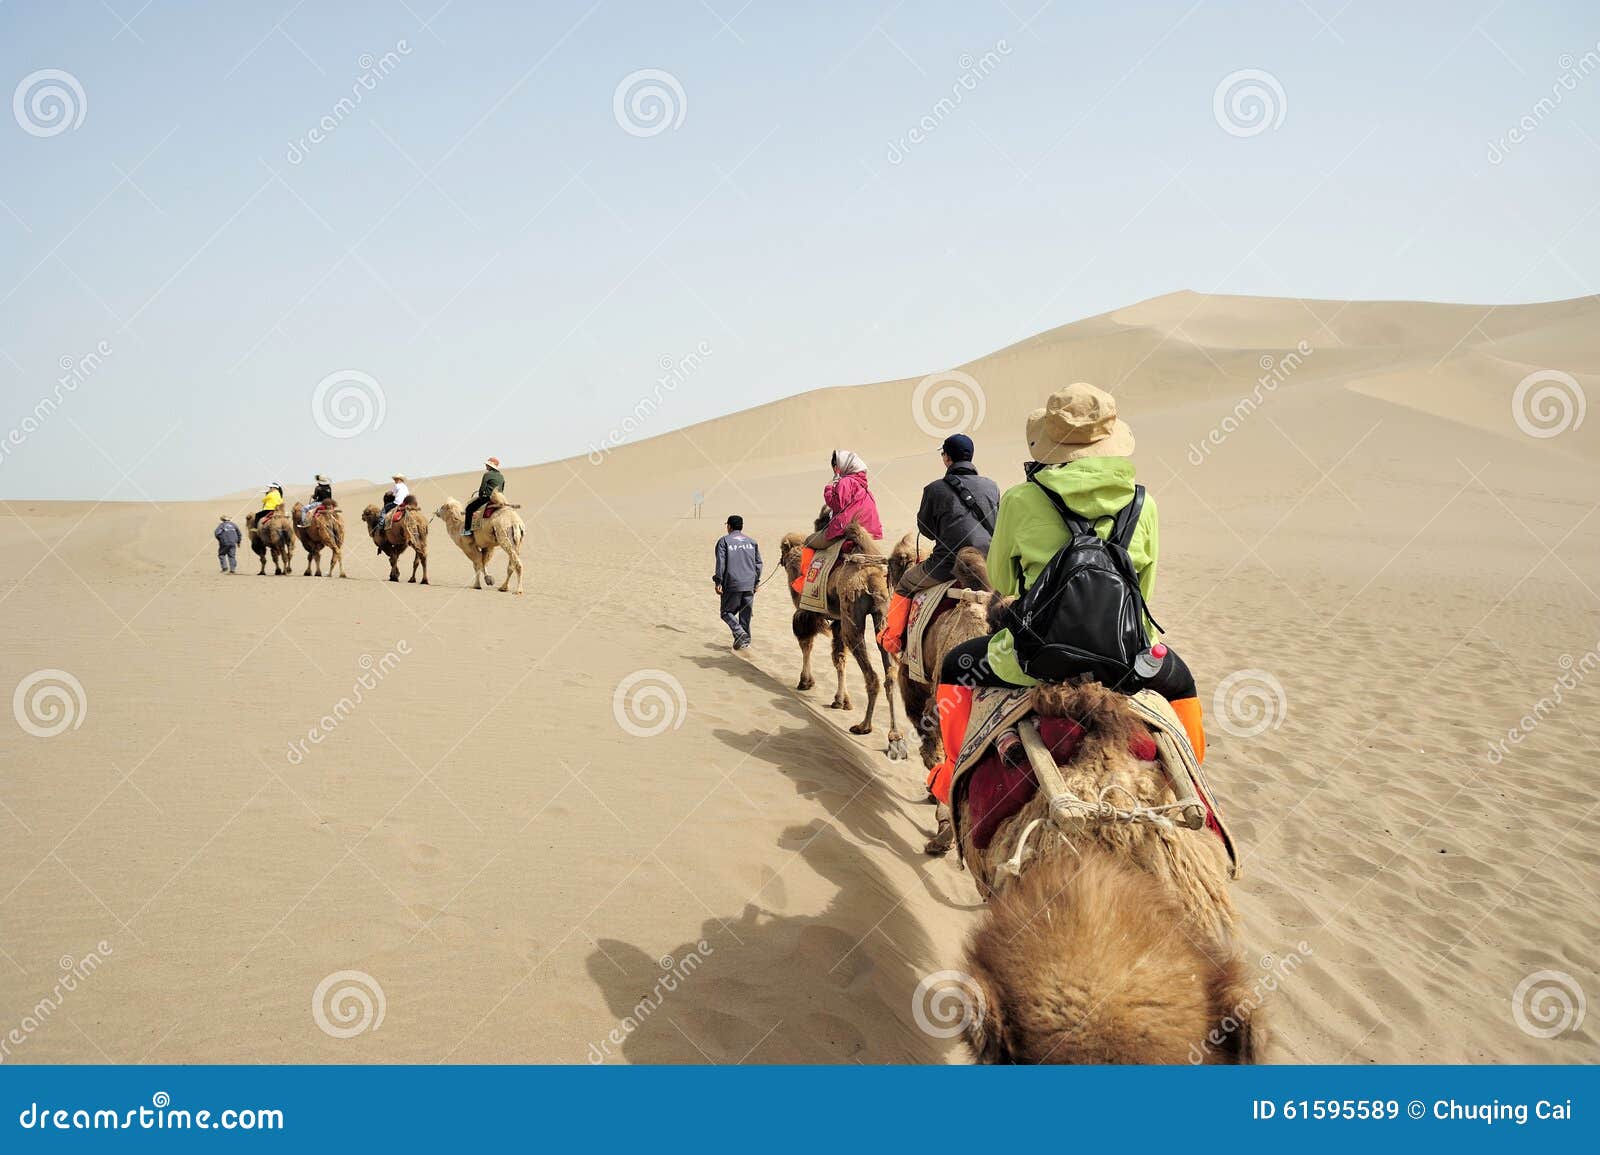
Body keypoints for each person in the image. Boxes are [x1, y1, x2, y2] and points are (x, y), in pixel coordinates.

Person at [924, 382, 1208, 806]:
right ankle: (1194, 783)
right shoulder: (1143, 504)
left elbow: (1002, 579)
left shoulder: (1022, 498)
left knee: (954, 665)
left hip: (1033, 661)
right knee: (1182, 682)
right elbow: (1142, 591)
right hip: (1126, 664)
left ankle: (950, 773)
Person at [878, 433, 1000, 654]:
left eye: (943, 453)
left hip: (946, 565)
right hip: (988, 564)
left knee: (905, 583)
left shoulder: (934, 489)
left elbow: (926, 529)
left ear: (947, 458)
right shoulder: (992, 486)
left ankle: (892, 639)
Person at [792, 450, 884, 594]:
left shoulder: (846, 481)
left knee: (809, 542)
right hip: (870, 534)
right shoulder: (864, 488)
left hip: (848, 531)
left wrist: (829, 488)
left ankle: (805, 581)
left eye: (836, 466)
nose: (835, 470)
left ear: (844, 466)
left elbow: (837, 504)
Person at [713, 515, 762, 650]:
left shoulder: (724, 541)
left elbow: (721, 563)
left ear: (729, 526)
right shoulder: (752, 542)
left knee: (726, 612)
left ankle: (739, 633)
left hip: (732, 583)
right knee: (745, 615)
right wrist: (756, 581)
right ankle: (744, 645)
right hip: (749, 583)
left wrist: (718, 581)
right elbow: (758, 564)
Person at [462, 458, 504, 537]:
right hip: (500, 499)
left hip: (488, 498)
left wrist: (481, 496)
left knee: (469, 509)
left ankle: (467, 530)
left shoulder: (487, 474)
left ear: (490, 466)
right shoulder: (501, 476)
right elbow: (502, 489)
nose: (486, 465)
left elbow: (482, 488)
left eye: (487, 464)